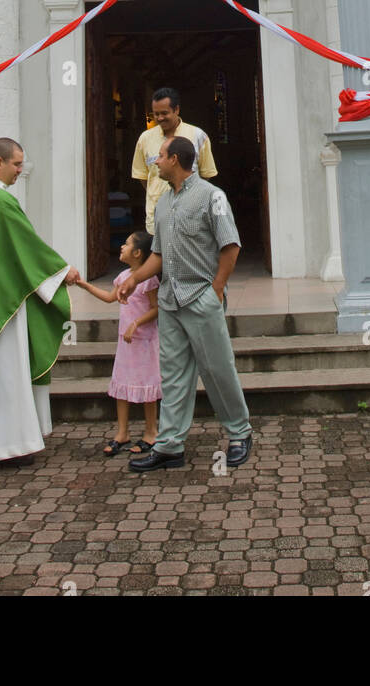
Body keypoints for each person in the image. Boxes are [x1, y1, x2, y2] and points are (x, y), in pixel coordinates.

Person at [117, 135, 253, 472]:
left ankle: (239, 433)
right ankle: (169, 446)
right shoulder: (163, 203)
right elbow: (158, 255)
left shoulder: (212, 197)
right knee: (174, 374)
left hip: (200, 296)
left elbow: (231, 246)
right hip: (170, 303)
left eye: (160, 156)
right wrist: (134, 279)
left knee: (217, 369)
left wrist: (217, 289)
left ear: (176, 159)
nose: (156, 162)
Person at [0, 137, 80, 468]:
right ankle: (7, 447)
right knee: (6, 372)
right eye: (17, 164)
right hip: (2, 306)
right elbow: (27, 247)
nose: (21, 170)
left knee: (0, 371)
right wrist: (62, 271)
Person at [75, 230, 160, 457]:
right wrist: (83, 284)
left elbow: (156, 308)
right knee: (122, 385)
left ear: (138, 252)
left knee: (146, 388)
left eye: (126, 244)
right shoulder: (123, 277)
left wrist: (136, 324)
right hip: (126, 343)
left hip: (144, 341)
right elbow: (109, 297)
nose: (121, 247)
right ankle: (122, 432)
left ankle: (151, 431)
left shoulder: (147, 279)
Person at [131, 86, 217, 234]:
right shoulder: (145, 139)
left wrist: (187, 195)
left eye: (164, 113)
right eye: (156, 114)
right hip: (157, 218)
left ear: (176, 109)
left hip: (190, 217)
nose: (159, 118)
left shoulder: (198, 136)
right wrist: (159, 193)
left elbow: (206, 174)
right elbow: (143, 176)